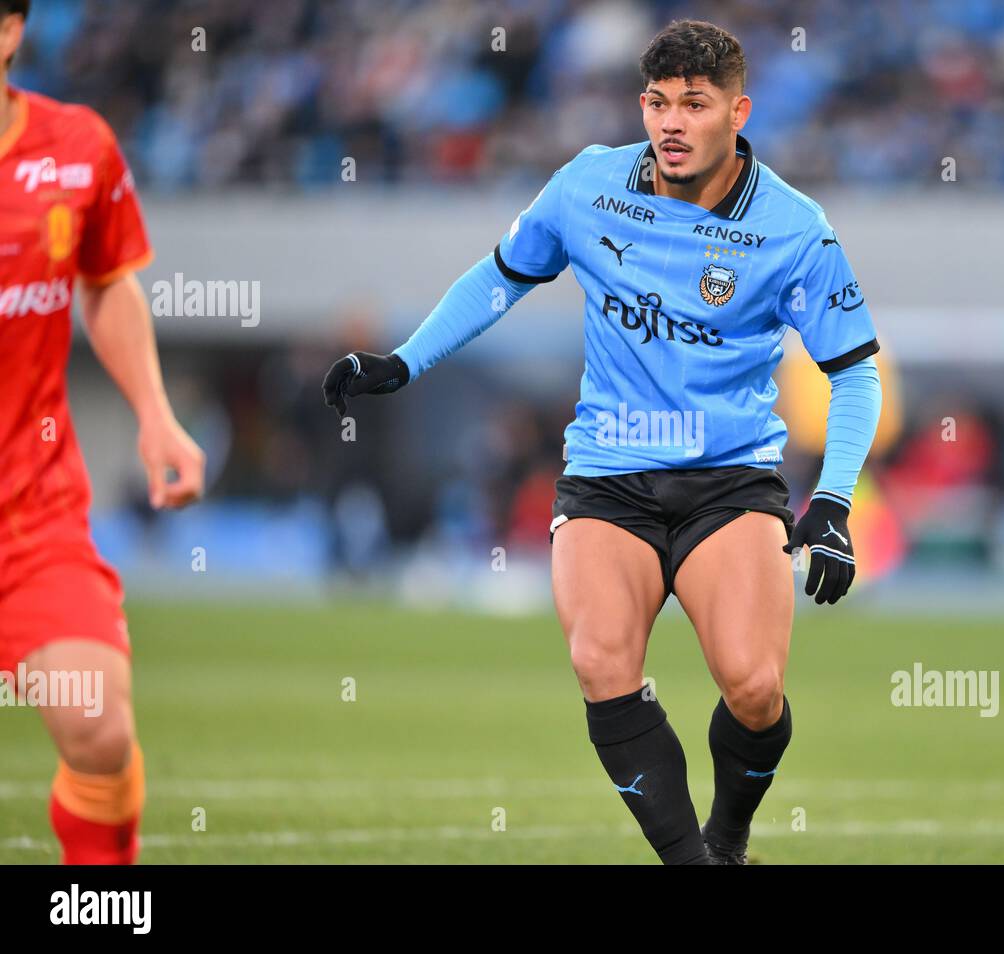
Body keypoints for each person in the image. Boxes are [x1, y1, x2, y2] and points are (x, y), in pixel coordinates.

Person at [324, 19, 882, 864]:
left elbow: (855, 373)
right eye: (658, 102)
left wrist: (834, 500)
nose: (672, 122)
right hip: (607, 477)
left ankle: (727, 837)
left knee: (757, 688)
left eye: (695, 104)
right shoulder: (586, 185)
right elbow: (500, 277)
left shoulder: (795, 228)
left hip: (728, 482)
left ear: (738, 112)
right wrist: (403, 362)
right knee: (601, 664)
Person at [0, 0, 205, 864]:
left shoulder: (77, 148)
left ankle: (99, 906)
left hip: (30, 513)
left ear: (10, 30)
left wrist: (155, 413)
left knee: (98, 726)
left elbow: (108, 280)